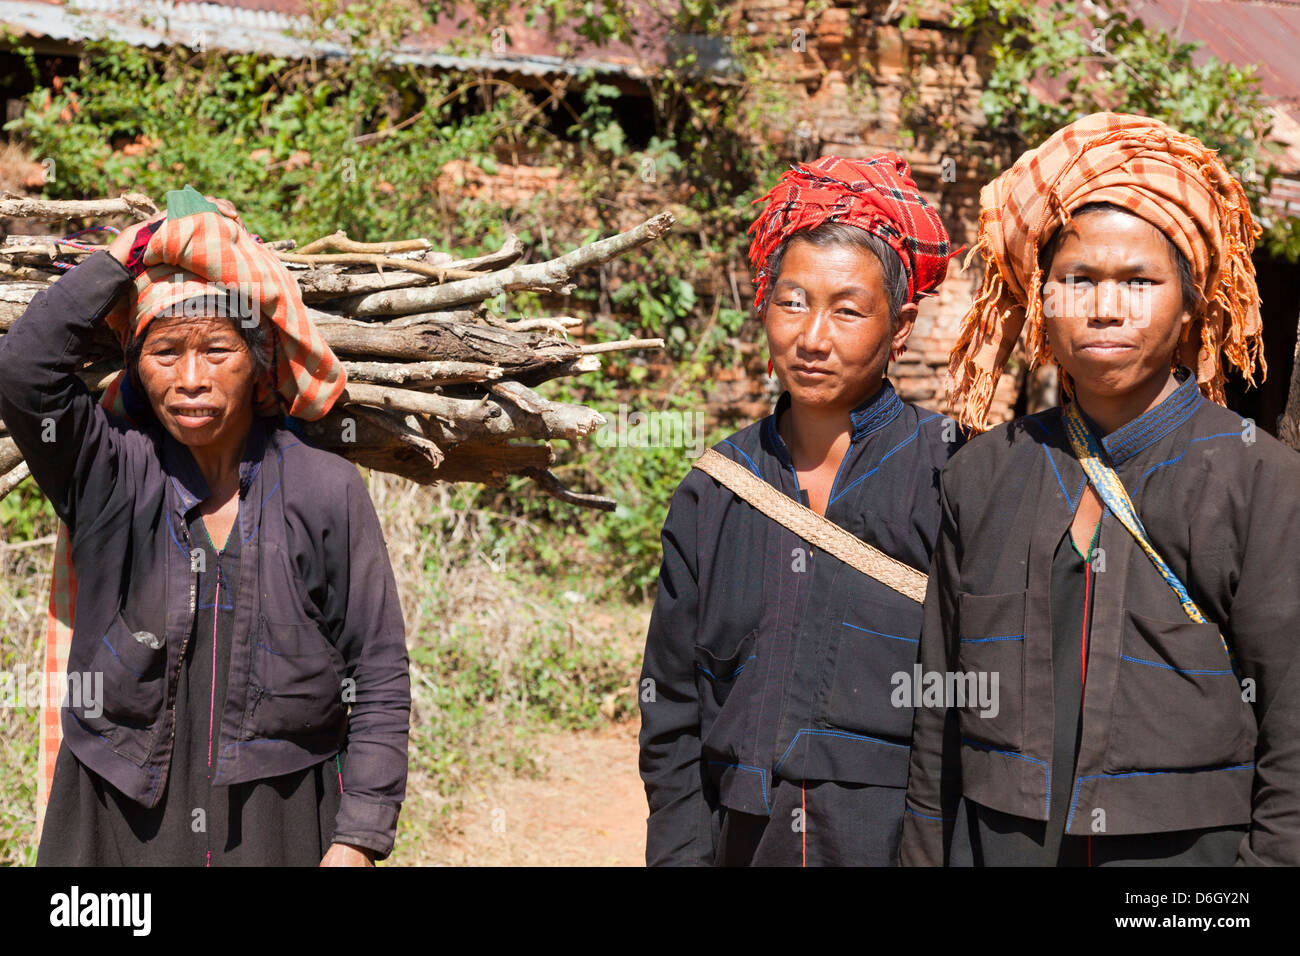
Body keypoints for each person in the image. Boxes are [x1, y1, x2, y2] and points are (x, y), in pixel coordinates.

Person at [900, 112, 1300, 866]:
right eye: (1076, 280)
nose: (1105, 306)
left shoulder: (1259, 482)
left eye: (1139, 282)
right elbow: (938, 709)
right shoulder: (985, 475)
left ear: (1189, 305)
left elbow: (1293, 724)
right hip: (999, 840)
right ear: (1041, 300)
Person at [0, 185, 411, 866]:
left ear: (258, 366)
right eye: (165, 354)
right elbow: (24, 368)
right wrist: (132, 252)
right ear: (137, 368)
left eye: (217, 349)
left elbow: (377, 667)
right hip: (119, 812)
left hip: (280, 816)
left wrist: (358, 835)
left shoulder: (323, 489)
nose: (191, 378)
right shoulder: (110, 476)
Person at [638, 153, 961, 865]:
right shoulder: (719, 488)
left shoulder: (952, 477)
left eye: (848, 310)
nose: (812, 337)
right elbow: (672, 712)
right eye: (792, 302)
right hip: (742, 842)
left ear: (900, 327)